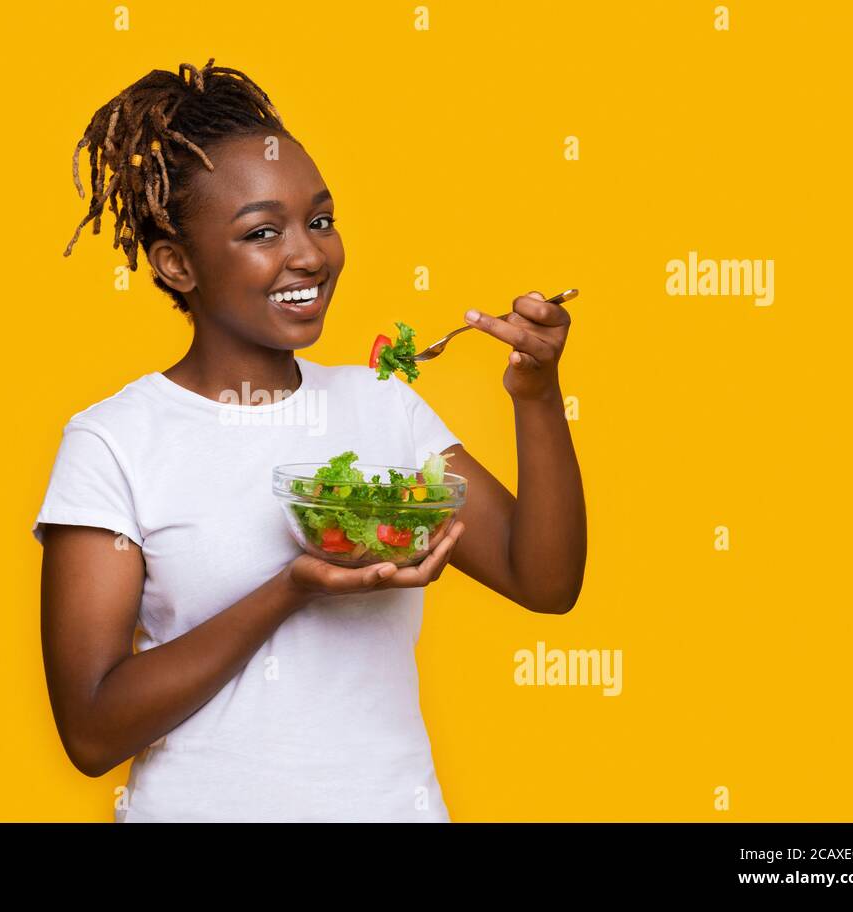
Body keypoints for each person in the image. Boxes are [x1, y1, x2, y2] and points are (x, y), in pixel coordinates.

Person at [34, 58, 587, 822]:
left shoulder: (382, 406)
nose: (309, 255)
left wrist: (537, 396)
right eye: (263, 231)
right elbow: (92, 731)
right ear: (176, 264)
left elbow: (545, 580)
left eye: (320, 220)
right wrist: (292, 588)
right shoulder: (115, 442)